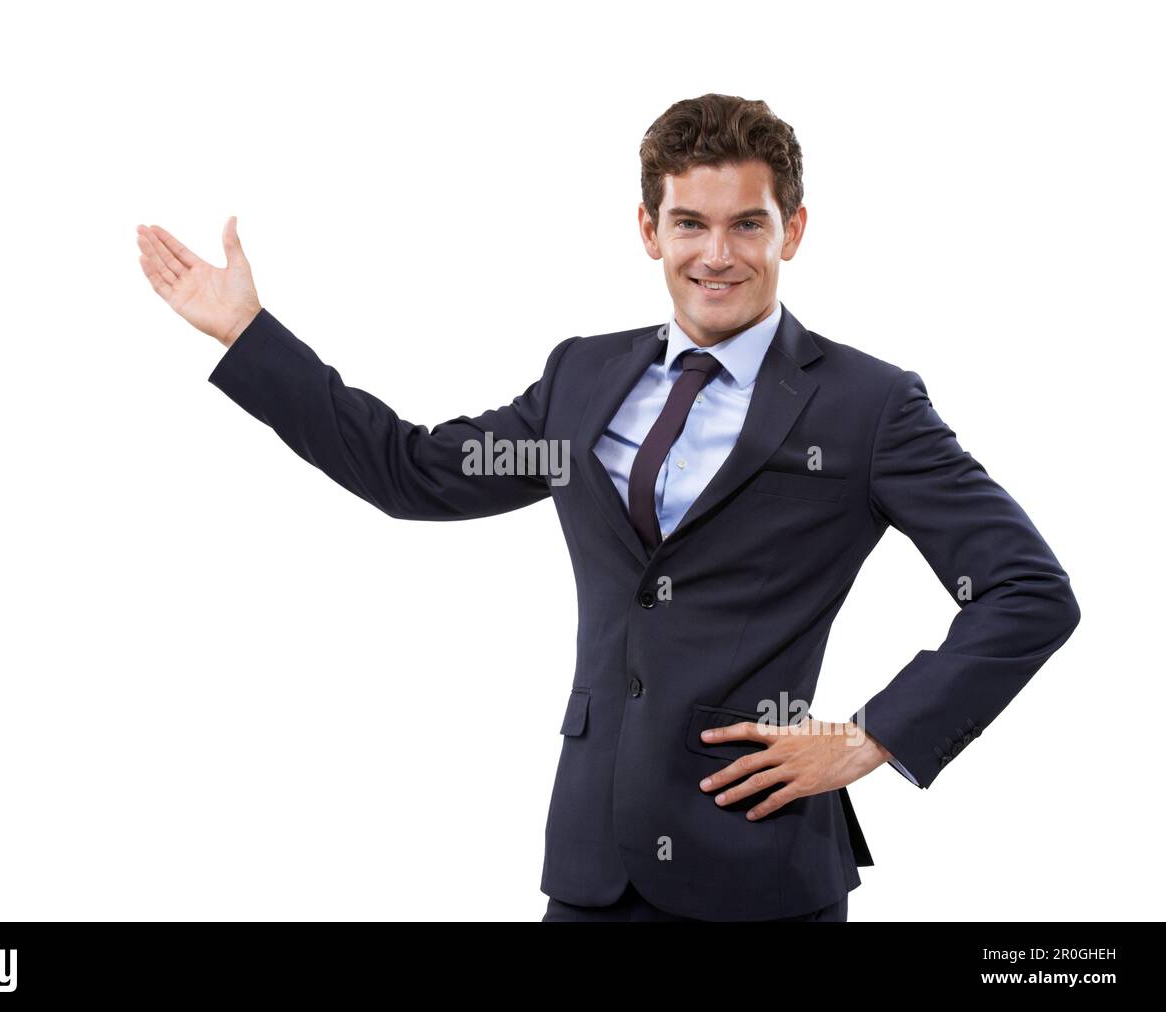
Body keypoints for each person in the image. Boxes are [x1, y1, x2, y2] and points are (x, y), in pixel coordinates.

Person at [135, 94, 1079, 922]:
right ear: (647, 228)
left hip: (758, 868)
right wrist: (251, 338)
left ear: (792, 230)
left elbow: (1027, 590)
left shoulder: (867, 408)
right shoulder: (584, 379)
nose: (718, 255)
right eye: (690, 224)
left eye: (748, 225)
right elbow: (412, 473)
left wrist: (873, 735)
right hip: (590, 863)